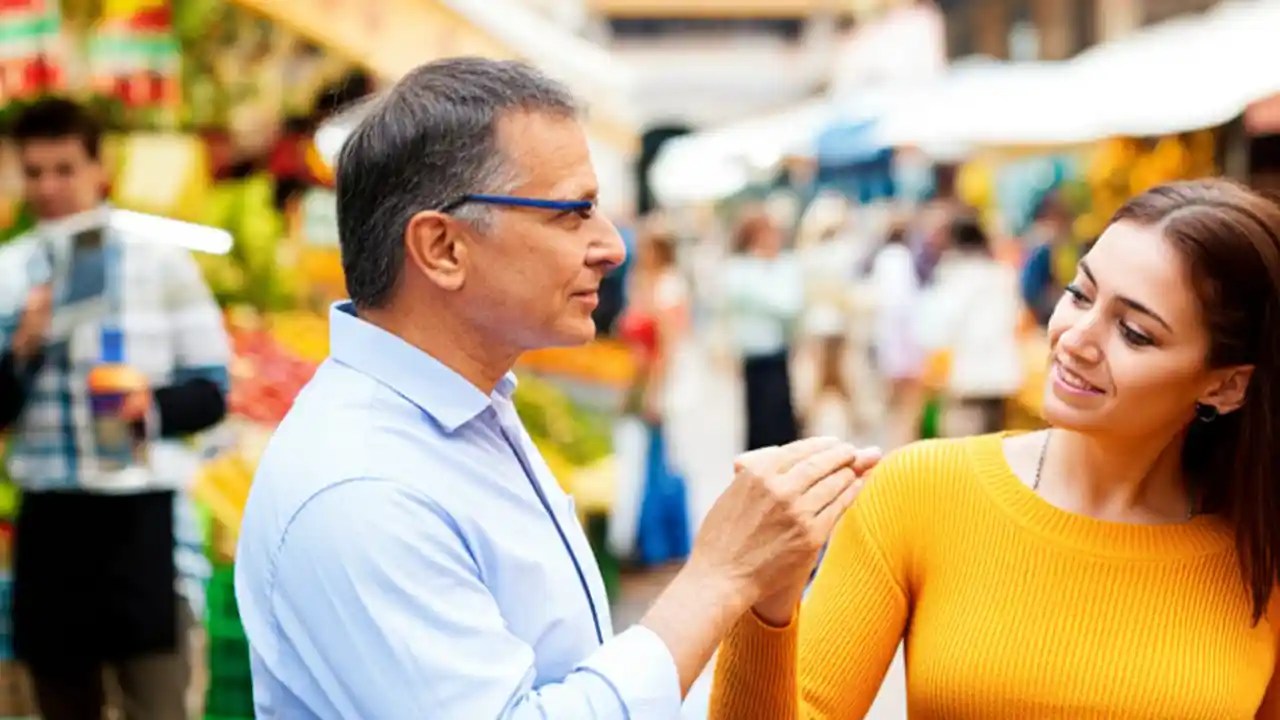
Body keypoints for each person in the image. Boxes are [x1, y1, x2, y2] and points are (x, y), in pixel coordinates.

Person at [234, 58, 880, 720]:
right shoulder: (362, 487)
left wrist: (758, 590)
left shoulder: (468, 411)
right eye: (572, 213)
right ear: (443, 249)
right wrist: (718, 577)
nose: (611, 246)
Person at [709, 178, 1280, 718]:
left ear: (1227, 384)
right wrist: (768, 601)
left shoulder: (1260, 553)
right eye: (1080, 295)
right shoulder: (920, 491)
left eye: (1134, 333)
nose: (1076, 338)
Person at [0, 98, 230, 720]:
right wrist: (20, 350)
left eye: (64, 168)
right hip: (49, 518)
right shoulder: (10, 272)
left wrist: (147, 407)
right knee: (60, 704)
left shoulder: (160, 262)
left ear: (100, 168)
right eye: (35, 171)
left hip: (139, 521)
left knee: (158, 703)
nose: (49, 186)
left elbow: (212, 390)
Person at [616, 222, 692, 567]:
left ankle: (662, 542)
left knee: (660, 462)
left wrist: (654, 391)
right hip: (643, 380)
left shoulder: (667, 288)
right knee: (651, 460)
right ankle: (655, 540)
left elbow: (668, 345)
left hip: (657, 385)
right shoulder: (644, 285)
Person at [915, 212, 1024, 436]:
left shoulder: (954, 276)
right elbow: (1016, 318)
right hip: (1002, 376)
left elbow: (936, 330)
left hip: (967, 378)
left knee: (964, 453)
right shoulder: (1002, 274)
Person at [723, 209, 805, 450]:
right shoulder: (741, 270)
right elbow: (780, 303)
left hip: (778, 354)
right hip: (754, 357)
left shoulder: (782, 266)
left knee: (782, 421)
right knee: (759, 424)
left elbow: (791, 305)